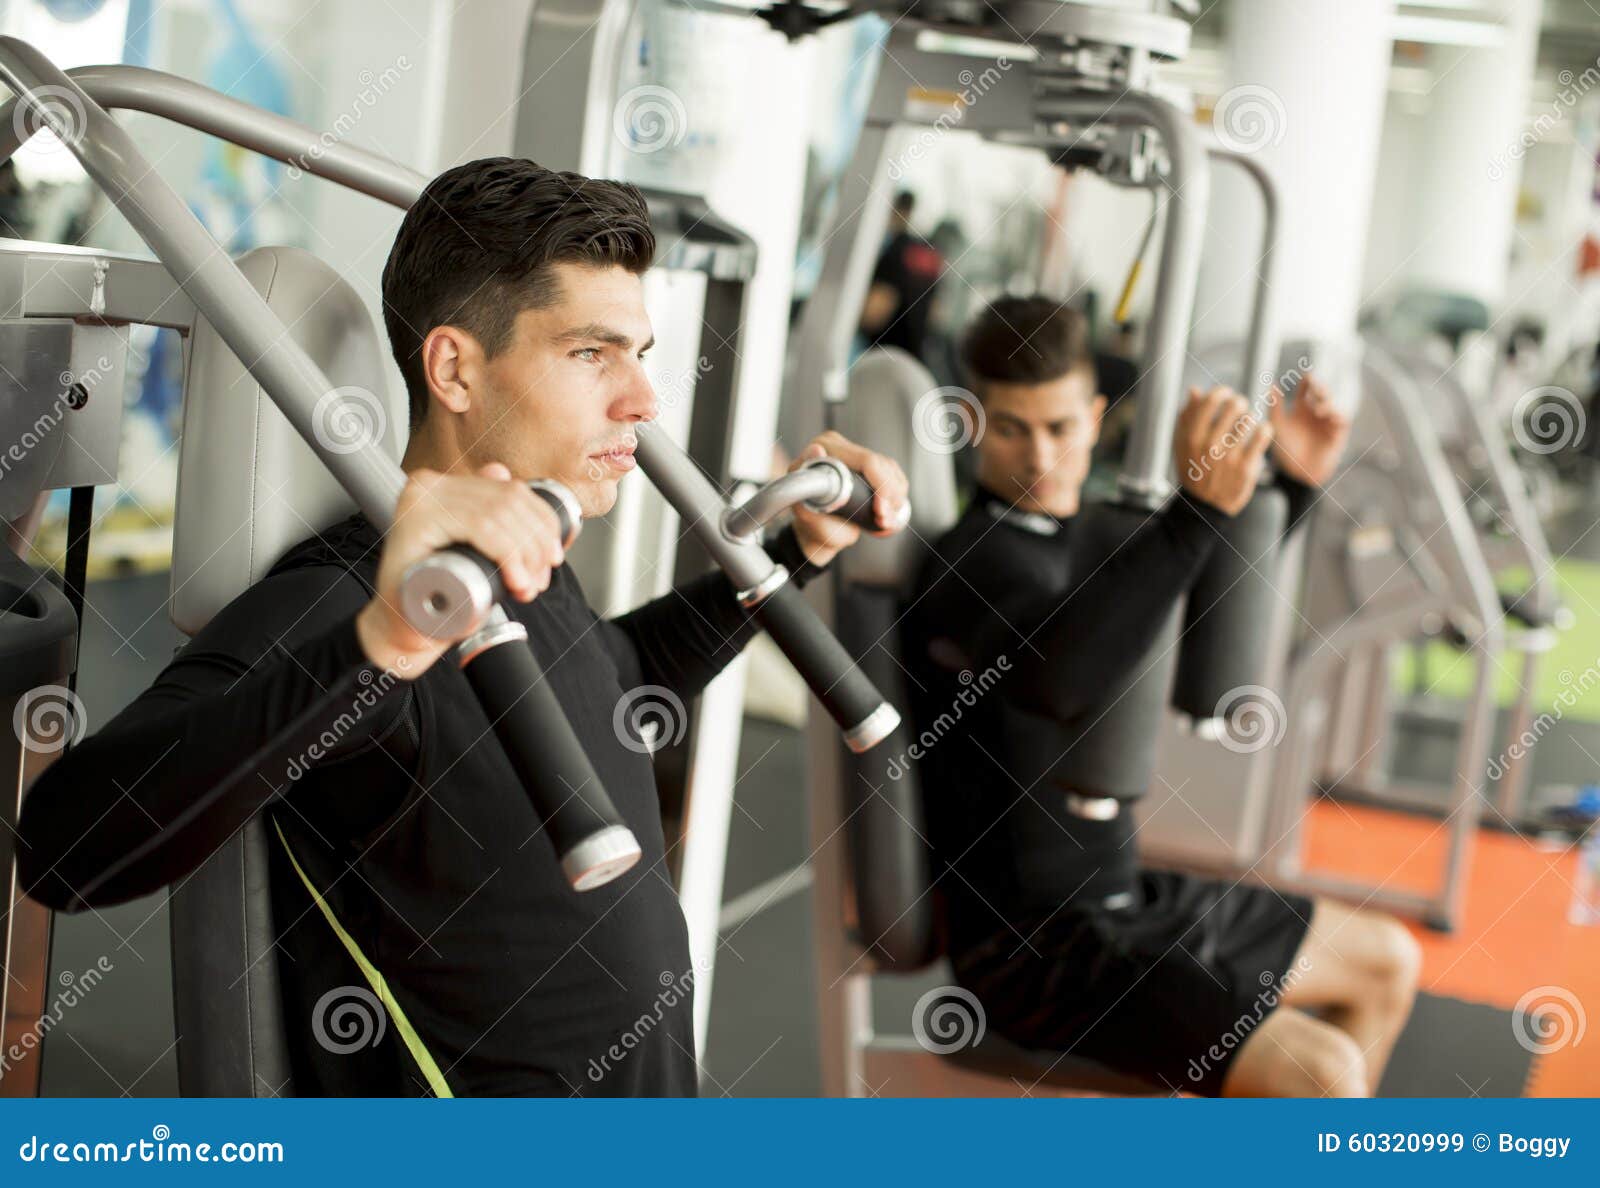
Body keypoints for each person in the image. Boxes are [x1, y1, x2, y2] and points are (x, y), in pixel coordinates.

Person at [16, 157, 909, 1097]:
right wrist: (385, 642)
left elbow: (612, 680)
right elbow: (66, 850)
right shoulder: (344, 599)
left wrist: (795, 554)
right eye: (591, 353)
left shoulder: (521, 552)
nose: (644, 400)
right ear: (453, 367)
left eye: (639, 355)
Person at [903, 296, 1421, 1097]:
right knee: (1321, 1075)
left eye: (1060, 427)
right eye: (1011, 428)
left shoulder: (1100, 536)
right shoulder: (969, 563)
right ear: (974, 425)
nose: (1039, 456)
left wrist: (1296, 483)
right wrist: (1196, 509)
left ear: (1097, 417)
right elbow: (1057, 678)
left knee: (1389, 959)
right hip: (1037, 951)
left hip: (1129, 898)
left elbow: (1180, 607)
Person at [859, 190, 944, 361]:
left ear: (897, 212)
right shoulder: (930, 252)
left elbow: (874, 313)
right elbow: (937, 313)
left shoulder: (894, 251)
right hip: (915, 361)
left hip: (883, 358)